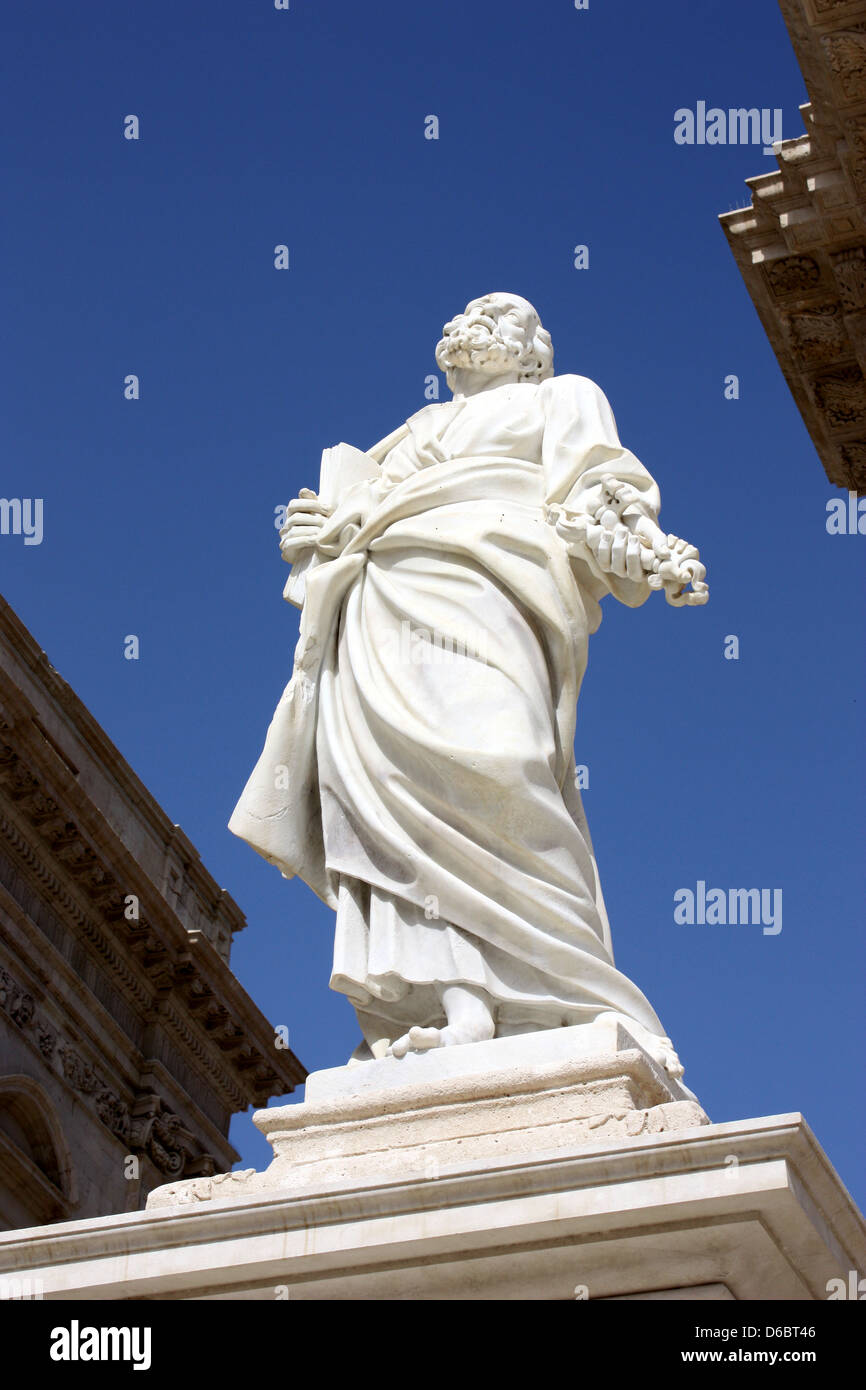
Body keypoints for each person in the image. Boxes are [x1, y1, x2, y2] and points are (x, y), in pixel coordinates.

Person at [230, 293, 707, 1079]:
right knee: (391, 788)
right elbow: (342, 517)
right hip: (383, 595)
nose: (474, 320)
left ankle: (568, 984)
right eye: (467, 313)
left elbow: (602, 487)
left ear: (531, 347)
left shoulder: (564, 396)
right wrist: (310, 537)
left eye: (498, 313)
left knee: (502, 759)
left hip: (495, 583)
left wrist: (639, 546)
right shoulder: (415, 430)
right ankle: (459, 1000)